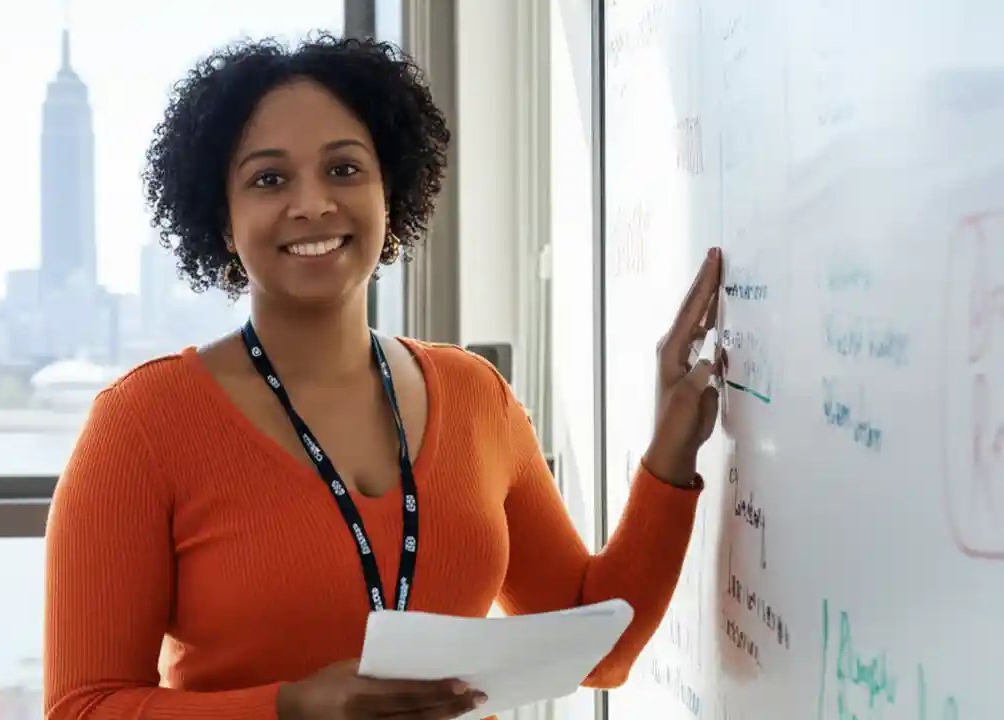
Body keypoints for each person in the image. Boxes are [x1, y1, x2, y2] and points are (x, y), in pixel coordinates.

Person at [43, 33, 723, 720]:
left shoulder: (474, 396)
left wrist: (671, 453)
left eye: (344, 170)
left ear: (390, 191)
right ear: (222, 218)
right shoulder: (143, 425)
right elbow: (81, 708)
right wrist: (291, 707)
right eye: (268, 179)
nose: (312, 204)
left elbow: (598, 650)